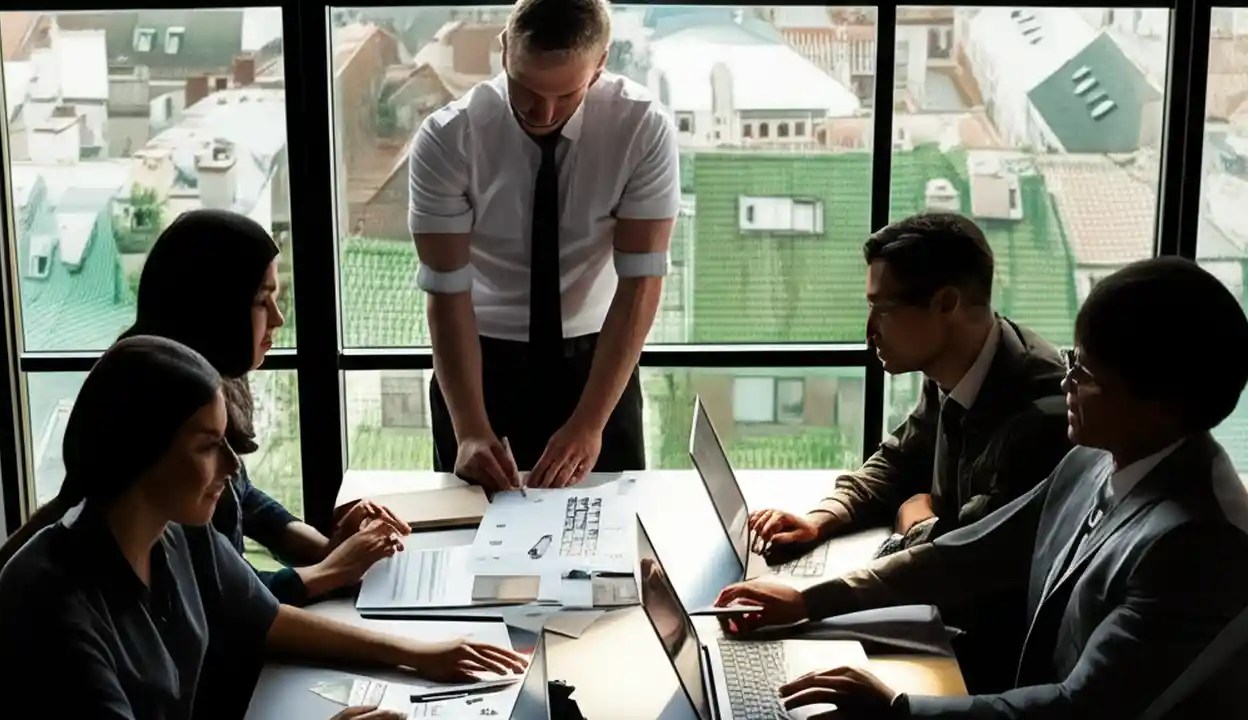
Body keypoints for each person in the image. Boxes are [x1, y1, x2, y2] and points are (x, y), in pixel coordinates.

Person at [714, 257, 1248, 718]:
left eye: (1085, 375)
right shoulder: (1098, 455)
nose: (1066, 382)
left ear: (1160, 404)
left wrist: (900, 709)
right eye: (1073, 360)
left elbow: (1080, 708)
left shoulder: (1198, 545)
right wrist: (807, 600)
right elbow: (971, 554)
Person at [0, 336, 526, 720]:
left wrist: (417, 652)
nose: (231, 465)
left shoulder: (179, 534)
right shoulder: (47, 602)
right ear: (140, 451)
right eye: (207, 446)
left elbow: (265, 619)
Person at [0, 210, 410, 607]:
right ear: (216, 305)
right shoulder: (161, 397)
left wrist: (327, 548)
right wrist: (332, 569)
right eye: (262, 300)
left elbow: (241, 497)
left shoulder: (209, 373)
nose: (278, 318)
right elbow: (218, 599)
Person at [410, 0, 679, 492]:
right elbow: (446, 292)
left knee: (606, 524)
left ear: (600, 64)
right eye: (527, 89)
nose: (544, 112)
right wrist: (470, 430)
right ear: (504, 49)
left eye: (567, 94)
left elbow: (641, 282)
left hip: (599, 363)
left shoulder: (641, 127)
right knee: (471, 525)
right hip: (478, 363)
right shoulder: (449, 138)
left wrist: (590, 424)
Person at [749, 212, 1069, 557]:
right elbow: (901, 459)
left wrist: (912, 524)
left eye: (883, 309)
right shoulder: (953, 363)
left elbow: (967, 555)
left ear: (945, 303)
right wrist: (820, 519)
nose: (869, 332)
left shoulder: (1038, 417)